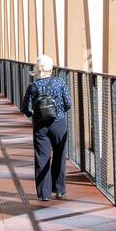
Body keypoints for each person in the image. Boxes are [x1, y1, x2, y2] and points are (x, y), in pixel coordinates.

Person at [21, 54, 71, 202]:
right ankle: (60, 189)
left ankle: (44, 193)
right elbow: (68, 103)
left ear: (38, 68)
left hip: (40, 126)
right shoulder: (60, 83)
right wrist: (59, 113)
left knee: (42, 158)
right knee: (59, 155)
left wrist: (34, 116)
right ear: (51, 68)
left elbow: (25, 108)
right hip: (59, 123)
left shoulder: (33, 86)